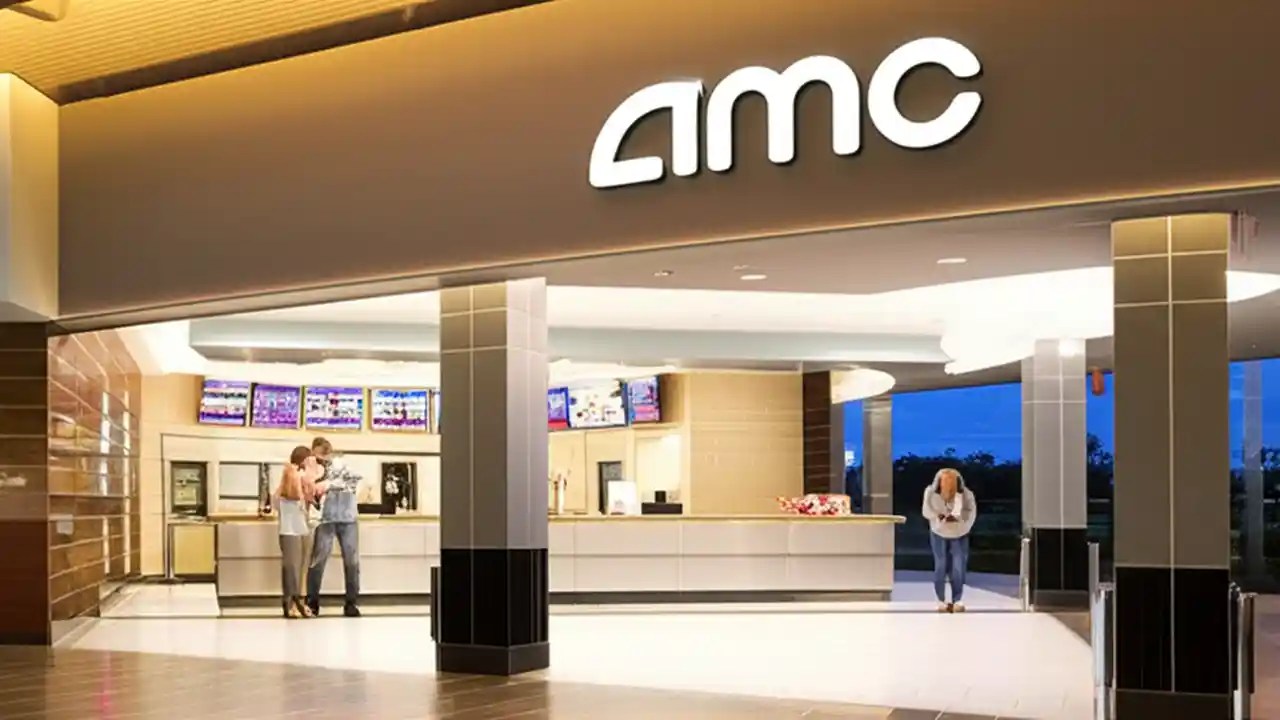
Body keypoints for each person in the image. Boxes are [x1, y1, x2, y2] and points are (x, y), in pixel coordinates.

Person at [305, 437, 363, 617]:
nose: (319, 460)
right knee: (317, 561)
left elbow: (354, 480)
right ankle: (312, 603)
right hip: (326, 519)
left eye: (320, 456)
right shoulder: (313, 468)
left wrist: (328, 485)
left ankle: (351, 603)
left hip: (348, 519)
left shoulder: (341, 463)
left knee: (352, 562)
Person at [922, 468, 976, 612]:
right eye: (945, 482)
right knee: (940, 565)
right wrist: (938, 516)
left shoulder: (966, 495)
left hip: (960, 533)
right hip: (938, 532)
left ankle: (957, 600)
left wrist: (961, 522)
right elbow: (926, 511)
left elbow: (971, 513)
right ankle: (941, 600)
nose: (948, 485)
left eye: (951, 482)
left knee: (958, 566)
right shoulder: (930, 493)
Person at [275, 445, 320, 619]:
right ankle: (290, 603)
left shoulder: (304, 478)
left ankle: (298, 601)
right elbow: (292, 494)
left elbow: (310, 499)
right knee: (291, 569)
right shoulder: (290, 478)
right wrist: (306, 476)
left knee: (301, 569)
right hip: (289, 531)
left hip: (303, 528)